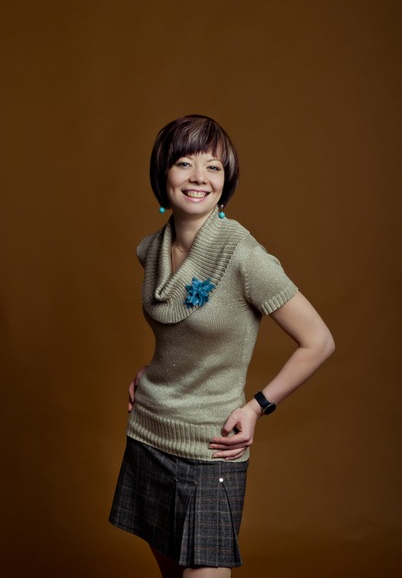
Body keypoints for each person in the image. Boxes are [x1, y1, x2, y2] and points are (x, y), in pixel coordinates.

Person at [109, 115, 335, 578]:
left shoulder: (244, 256)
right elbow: (180, 334)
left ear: (225, 180)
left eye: (213, 167)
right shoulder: (150, 250)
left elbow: (318, 341)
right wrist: (157, 369)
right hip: (150, 431)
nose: (199, 177)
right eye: (184, 163)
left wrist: (256, 407)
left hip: (211, 447)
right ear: (162, 174)